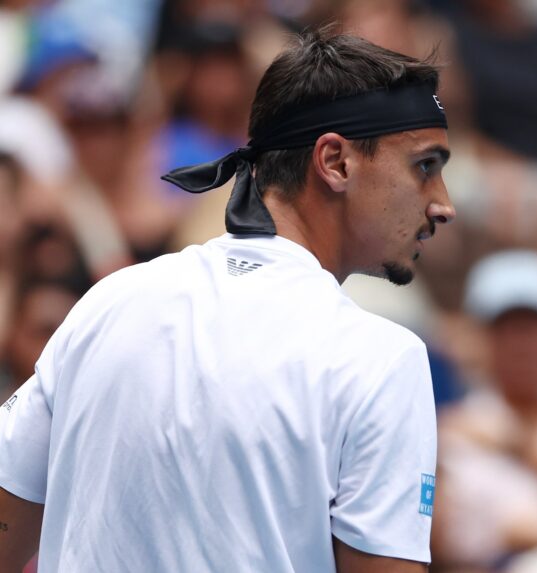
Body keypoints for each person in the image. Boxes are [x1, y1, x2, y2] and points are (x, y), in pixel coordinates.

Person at [0, 28, 455, 573]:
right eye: (425, 167)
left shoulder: (109, 302)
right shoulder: (383, 359)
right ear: (334, 162)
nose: (442, 205)